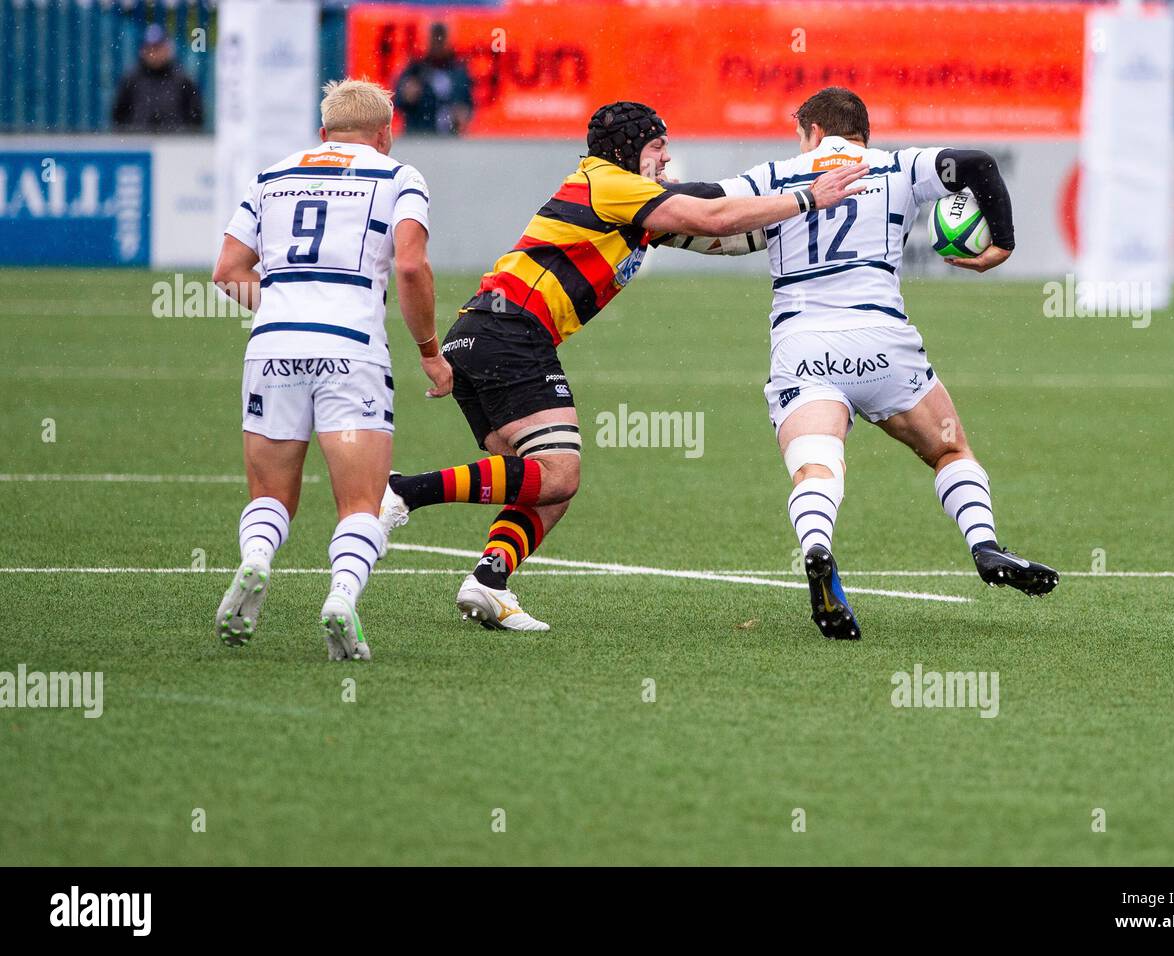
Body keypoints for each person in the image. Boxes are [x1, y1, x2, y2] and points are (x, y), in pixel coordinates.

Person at [379, 101, 868, 631]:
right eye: (657, 146)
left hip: (486, 334)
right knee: (558, 472)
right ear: (627, 149)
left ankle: (489, 581)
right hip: (509, 333)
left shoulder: (630, 200)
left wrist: (794, 229)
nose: (666, 156)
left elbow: (720, 234)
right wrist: (804, 196)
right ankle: (405, 491)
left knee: (549, 483)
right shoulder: (609, 182)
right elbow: (710, 214)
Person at [709, 86, 1058, 640]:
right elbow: (977, 163)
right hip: (883, 347)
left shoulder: (776, 176)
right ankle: (985, 544)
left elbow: (708, 209)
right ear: (863, 134)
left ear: (814, 133)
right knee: (948, 449)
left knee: (817, 468)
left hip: (804, 348)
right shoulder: (896, 166)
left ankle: (819, 548)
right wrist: (1004, 244)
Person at [211, 79, 452, 661]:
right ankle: (342, 596)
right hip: (351, 352)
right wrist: (427, 349)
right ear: (385, 135)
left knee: (271, 494)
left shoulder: (272, 175)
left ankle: (256, 561)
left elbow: (228, 270)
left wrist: (290, 310)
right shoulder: (397, 177)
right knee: (360, 503)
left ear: (323, 133)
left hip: (272, 349)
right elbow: (412, 267)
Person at [111, 24, 204, 132]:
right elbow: (119, 117)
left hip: (175, 144)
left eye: (158, 48)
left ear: (168, 49)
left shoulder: (183, 81)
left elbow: (195, 119)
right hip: (139, 142)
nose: (153, 53)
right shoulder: (131, 81)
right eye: (150, 48)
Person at [394, 22, 474, 135]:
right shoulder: (415, 69)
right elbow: (397, 101)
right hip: (419, 136)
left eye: (441, 38)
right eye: (435, 38)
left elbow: (469, 103)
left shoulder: (459, 71)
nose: (438, 43)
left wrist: (463, 113)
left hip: (451, 139)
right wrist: (406, 96)